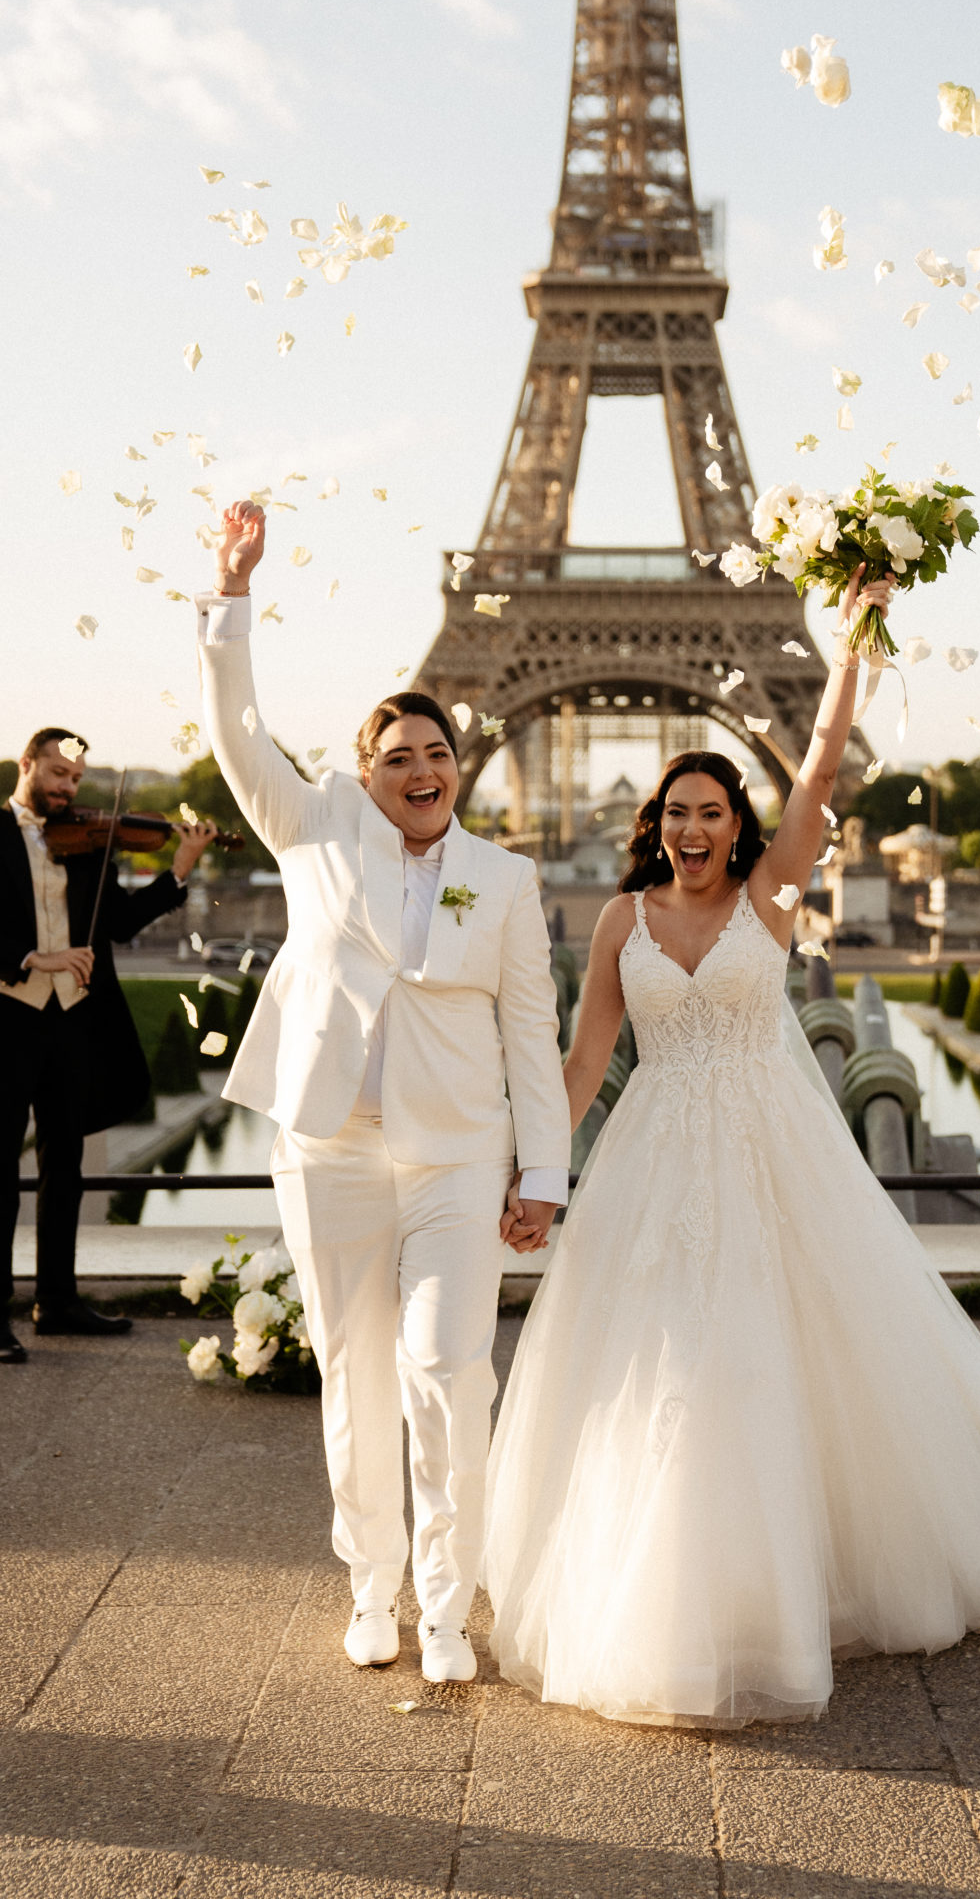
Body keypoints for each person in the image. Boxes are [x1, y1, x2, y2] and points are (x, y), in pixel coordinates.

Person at [484, 568, 980, 1728]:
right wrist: (537, 1179)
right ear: (651, 826)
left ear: (739, 829)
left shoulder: (772, 896)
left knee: (781, 1351)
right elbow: (585, 1064)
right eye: (676, 813)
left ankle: (786, 1572)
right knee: (676, 1366)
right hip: (660, 1157)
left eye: (713, 811)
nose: (693, 828)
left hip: (772, 1147)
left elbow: (821, 768)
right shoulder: (618, 921)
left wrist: (854, 639)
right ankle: (691, 1583)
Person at [195, 502, 570, 1684]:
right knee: (356, 1380)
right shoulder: (313, 829)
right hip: (334, 1147)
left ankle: (451, 1605)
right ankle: (373, 1588)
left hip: (459, 1155)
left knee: (451, 1372)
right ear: (364, 773)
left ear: (461, 768)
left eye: (438, 753)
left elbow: (531, 1028)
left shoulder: (503, 880)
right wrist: (233, 592)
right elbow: (238, 731)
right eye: (397, 754)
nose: (421, 768)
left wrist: (544, 1173)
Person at [0, 730, 217, 1362]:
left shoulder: (86, 842)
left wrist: (181, 867)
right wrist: (31, 956)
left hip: (72, 1021)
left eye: (75, 778)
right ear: (28, 765)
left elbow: (117, 922)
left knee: (65, 1167)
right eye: (58, 773)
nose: (68, 788)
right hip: (9, 1022)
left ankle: (57, 1301)